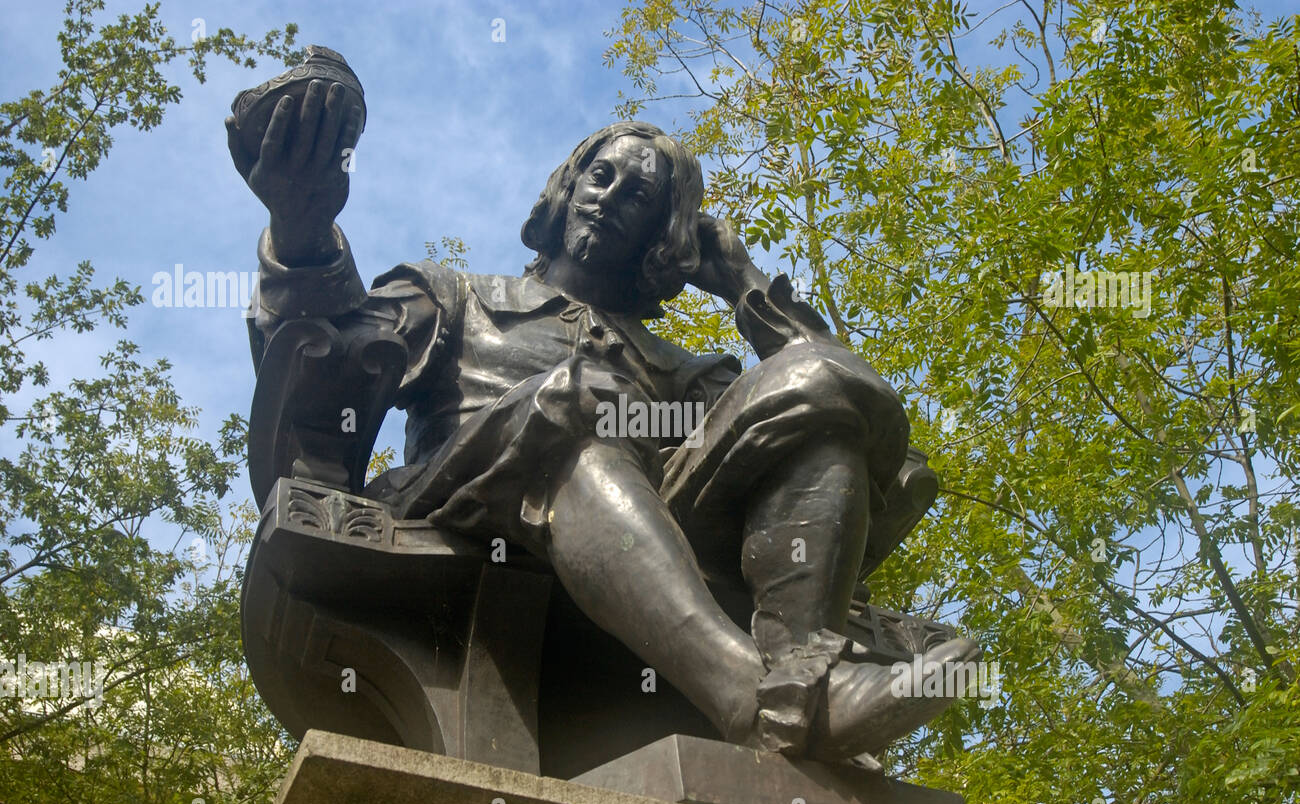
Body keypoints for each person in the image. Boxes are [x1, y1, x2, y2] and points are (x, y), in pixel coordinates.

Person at [228, 79, 979, 763]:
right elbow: (324, 372)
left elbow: (849, 403)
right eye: (601, 176)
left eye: (639, 199)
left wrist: (744, 285)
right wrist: (300, 231)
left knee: (827, 395)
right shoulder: (457, 297)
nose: (609, 199)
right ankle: (760, 701)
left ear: (664, 235)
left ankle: (799, 673)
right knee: (579, 402)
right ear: (567, 186)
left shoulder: (692, 372)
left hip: (655, 523)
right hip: (471, 500)